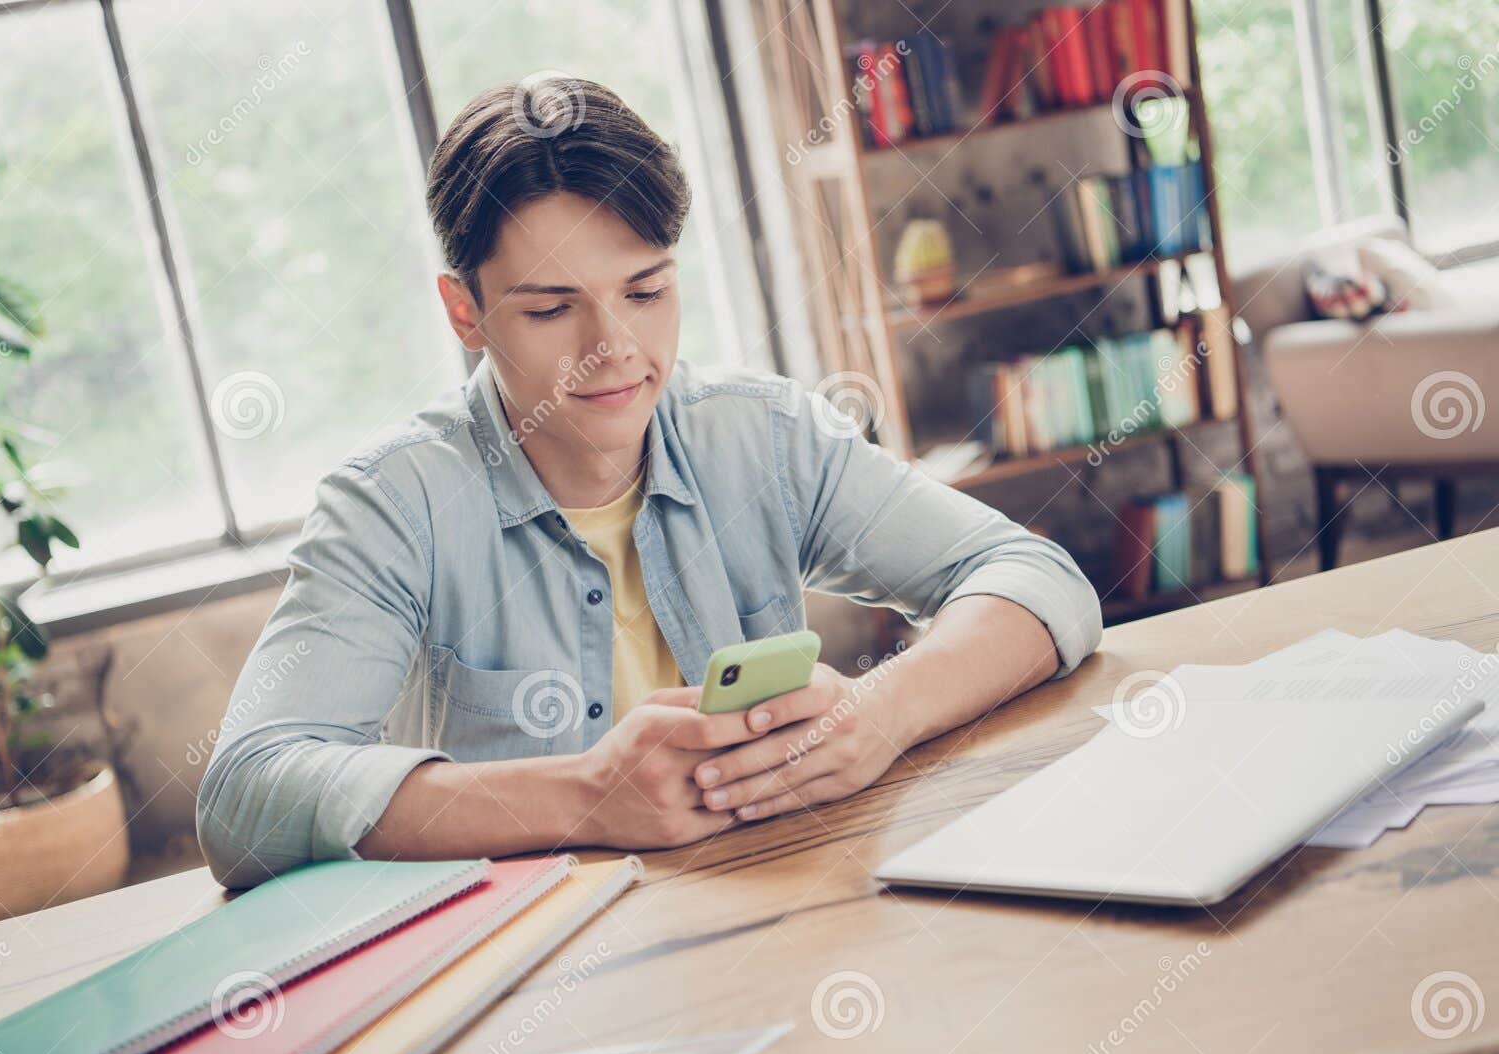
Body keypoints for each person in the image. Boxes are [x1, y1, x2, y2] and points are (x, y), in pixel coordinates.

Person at [196, 77, 1101, 889]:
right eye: (551, 308)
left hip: (776, 920)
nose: (614, 347)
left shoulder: (763, 437)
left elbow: (1035, 578)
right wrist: (583, 795)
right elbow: (245, 793)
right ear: (463, 311)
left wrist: (879, 713)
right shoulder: (391, 506)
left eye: (645, 289)